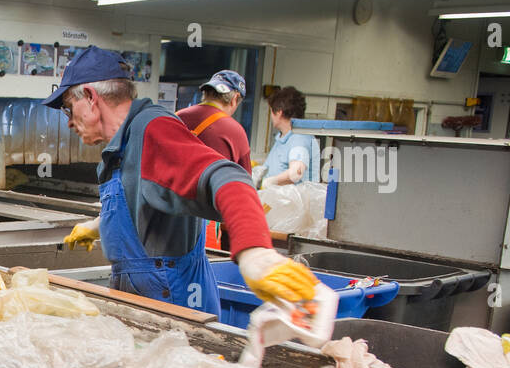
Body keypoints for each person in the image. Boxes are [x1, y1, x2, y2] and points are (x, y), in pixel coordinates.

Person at [51, 47, 320, 312]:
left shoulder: (153, 130)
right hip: (145, 299)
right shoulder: (124, 143)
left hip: (176, 301)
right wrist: (100, 225)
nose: (69, 123)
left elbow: (229, 177)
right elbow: (148, 200)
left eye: (68, 109)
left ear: (89, 97)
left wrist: (254, 251)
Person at [176, 69, 252, 172]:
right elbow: (245, 180)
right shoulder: (235, 131)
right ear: (235, 98)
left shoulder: (176, 117)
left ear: (206, 93)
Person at [258, 86, 320, 186]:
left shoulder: (299, 138)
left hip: (292, 200)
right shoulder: (283, 137)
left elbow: (296, 173)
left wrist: (269, 182)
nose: (271, 117)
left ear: (279, 112)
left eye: (272, 112)